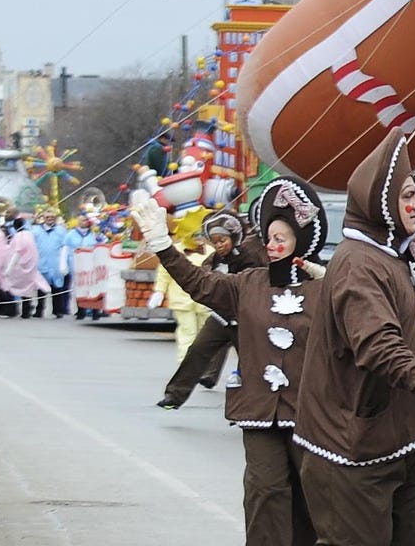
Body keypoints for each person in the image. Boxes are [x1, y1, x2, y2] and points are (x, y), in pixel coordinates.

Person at [301, 128, 415, 546]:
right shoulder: (358, 263)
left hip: (408, 439)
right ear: (379, 204)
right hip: (355, 447)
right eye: (405, 196)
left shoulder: (390, 255)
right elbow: (378, 345)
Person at [138, 174, 329, 546]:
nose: (272, 246)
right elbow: (198, 282)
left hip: (311, 413)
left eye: (281, 239)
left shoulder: (327, 289)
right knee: (263, 491)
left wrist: (338, 281)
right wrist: (163, 246)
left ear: (301, 242)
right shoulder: (249, 283)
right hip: (258, 411)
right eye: (269, 238)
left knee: (312, 498)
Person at [160, 211, 246, 408]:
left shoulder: (247, 258)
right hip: (220, 316)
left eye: (223, 240)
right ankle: (174, 395)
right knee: (198, 350)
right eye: (215, 242)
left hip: (244, 319)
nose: (219, 245)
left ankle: (252, 406)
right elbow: (201, 276)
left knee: (252, 363)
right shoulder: (214, 259)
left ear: (232, 237)